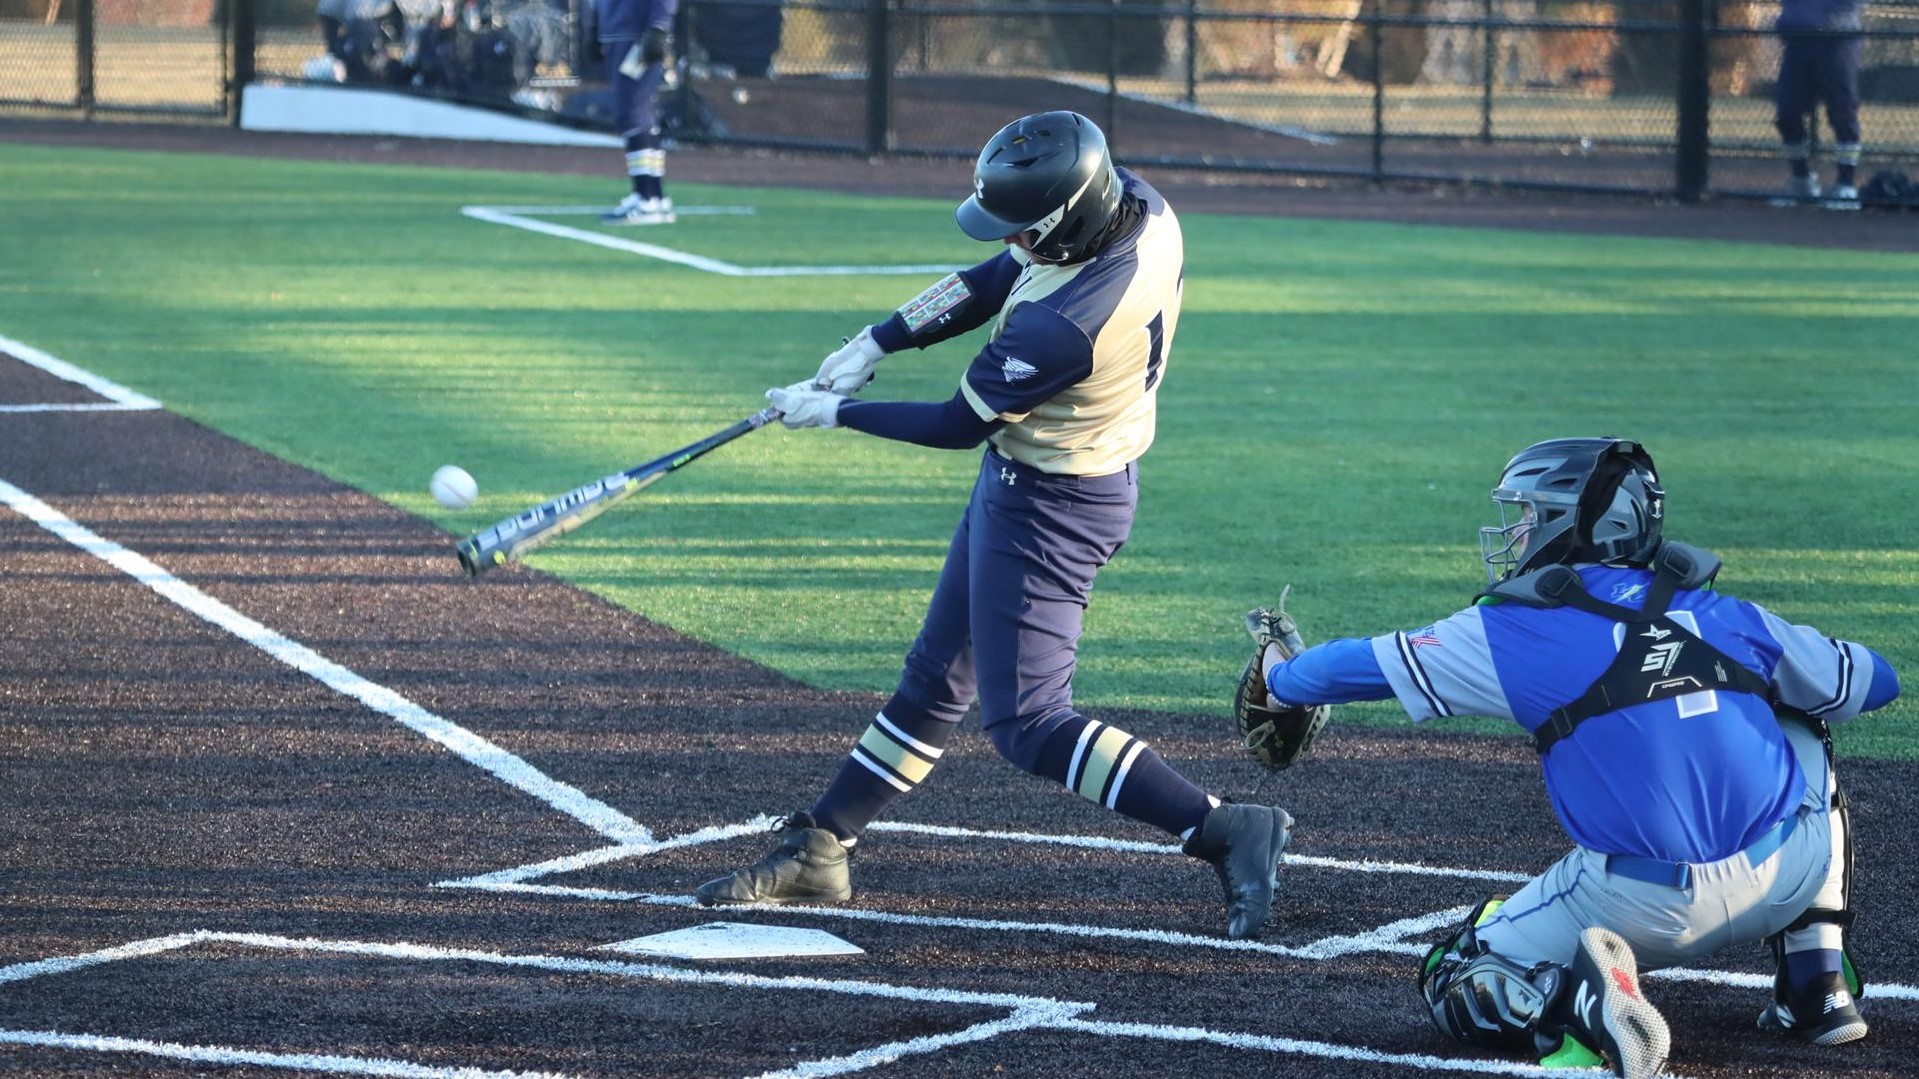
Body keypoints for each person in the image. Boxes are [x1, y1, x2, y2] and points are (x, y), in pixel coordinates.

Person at [692, 111, 1295, 942]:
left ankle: (1223, 827)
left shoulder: (1063, 326)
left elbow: (954, 423)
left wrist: (836, 410)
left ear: (1061, 220)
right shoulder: (1136, 205)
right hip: (1036, 478)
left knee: (1029, 722)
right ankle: (823, 845)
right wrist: (880, 337)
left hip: (1055, 504)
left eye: (1024, 225)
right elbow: (990, 275)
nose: (1013, 238)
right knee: (937, 676)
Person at [1241, 438, 1897, 1078]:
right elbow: (1873, 681)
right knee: (1801, 720)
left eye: (1525, 514)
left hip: (1645, 908)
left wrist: (1282, 675)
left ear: (1568, 521)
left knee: (1452, 973)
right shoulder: (1723, 611)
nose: (1515, 532)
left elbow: (1359, 664)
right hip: (1787, 873)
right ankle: (1818, 980)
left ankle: (1582, 1005)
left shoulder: (1514, 629)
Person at [1774, 0, 1865, 207]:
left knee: (1842, 112)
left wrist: (1827, 19)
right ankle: (1802, 180)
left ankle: (1845, 185)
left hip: (1837, 41)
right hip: (1798, 42)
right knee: (1787, 113)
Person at [596, 0, 677, 225]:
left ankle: (646, 198)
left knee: (630, 114)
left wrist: (659, 25)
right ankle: (654, 195)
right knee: (641, 116)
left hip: (637, 38)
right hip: (621, 35)